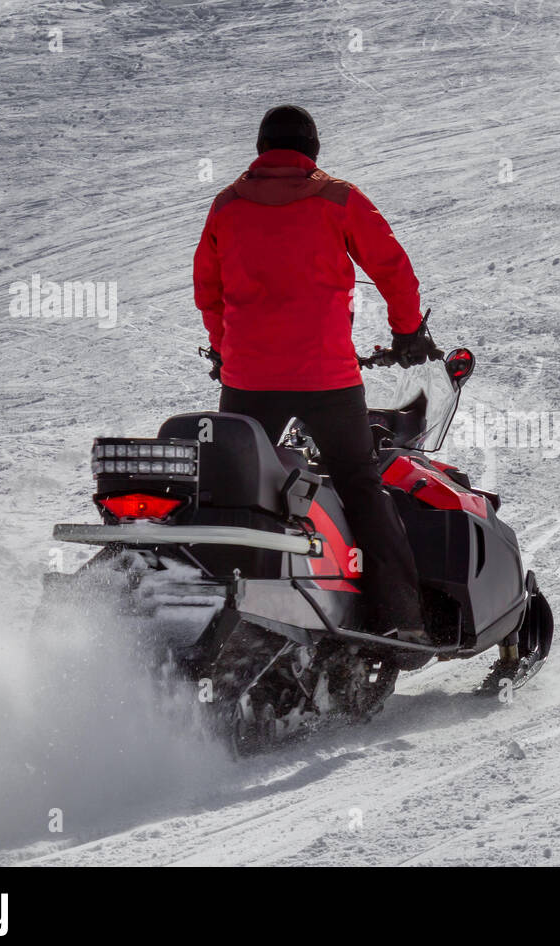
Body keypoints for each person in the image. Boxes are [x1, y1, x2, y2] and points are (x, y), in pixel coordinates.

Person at [192, 104, 440, 643]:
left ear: (262, 149)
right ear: (313, 150)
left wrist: (225, 350)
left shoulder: (227, 205)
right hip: (326, 378)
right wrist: (405, 333)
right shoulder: (338, 199)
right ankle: (401, 621)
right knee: (358, 481)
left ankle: (223, 605)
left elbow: (207, 291)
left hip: (250, 378)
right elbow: (393, 267)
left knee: (235, 489)